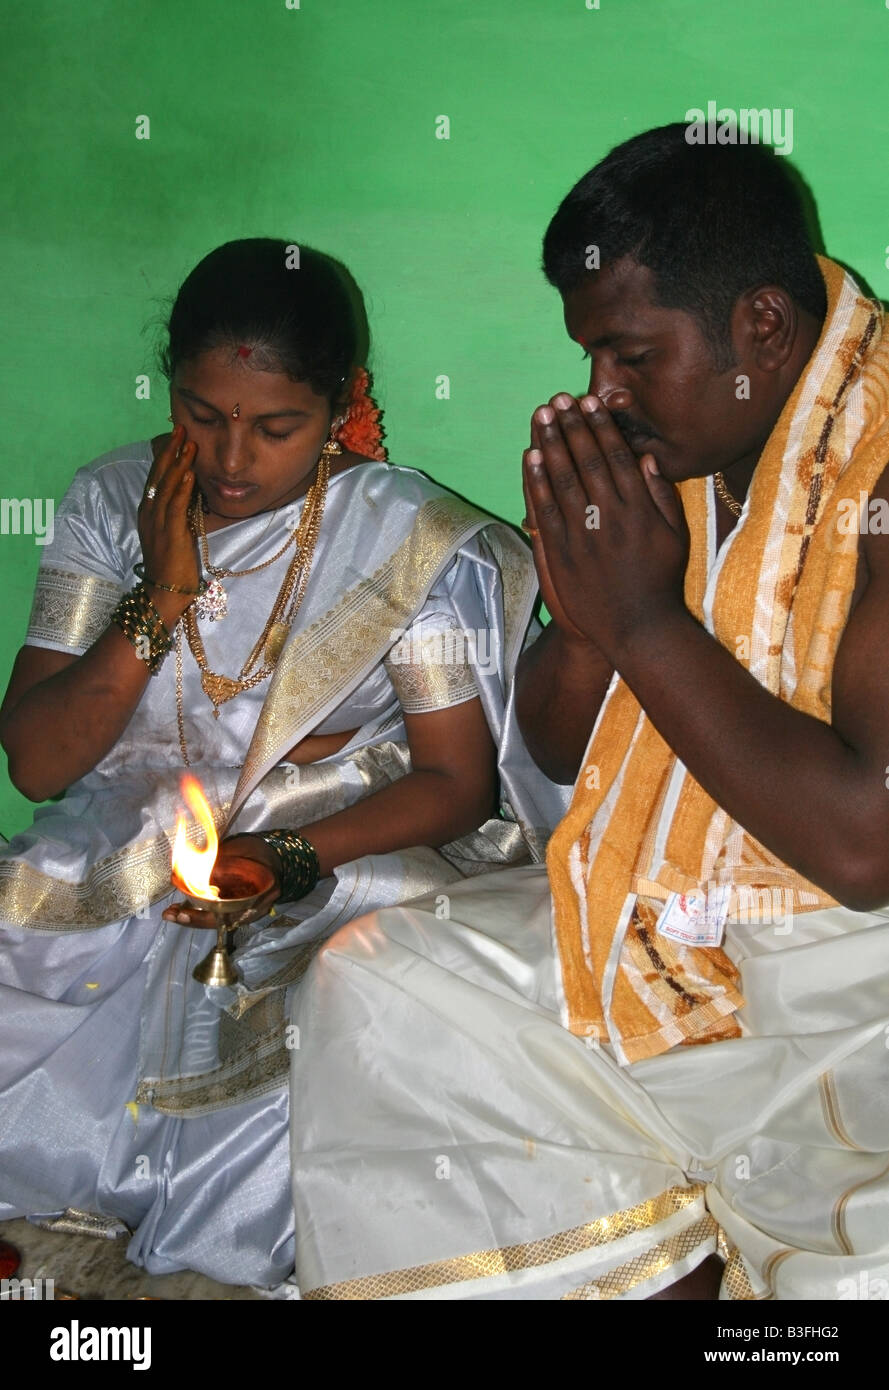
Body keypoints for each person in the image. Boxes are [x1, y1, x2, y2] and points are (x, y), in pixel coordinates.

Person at [285, 126, 889, 1300]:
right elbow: (564, 742)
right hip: (685, 917)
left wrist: (649, 621)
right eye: (593, 359)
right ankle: (654, 1271)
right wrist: (592, 601)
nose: (599, 396)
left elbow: (866, 846)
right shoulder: (689, 435)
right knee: (383, 981)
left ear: (761, 328)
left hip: (855, 964)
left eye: (628, 356)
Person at [0, 238, 543, 1288]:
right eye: (203, 416)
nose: (230, 460)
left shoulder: (405, 540)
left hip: (333, 854)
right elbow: (35, 759)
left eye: (275, 427)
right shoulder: (116, 502)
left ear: (340, 409)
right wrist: (157, 596)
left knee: (334, 1036)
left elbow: (453, 783)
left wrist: (281, 856)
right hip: (117, 854)